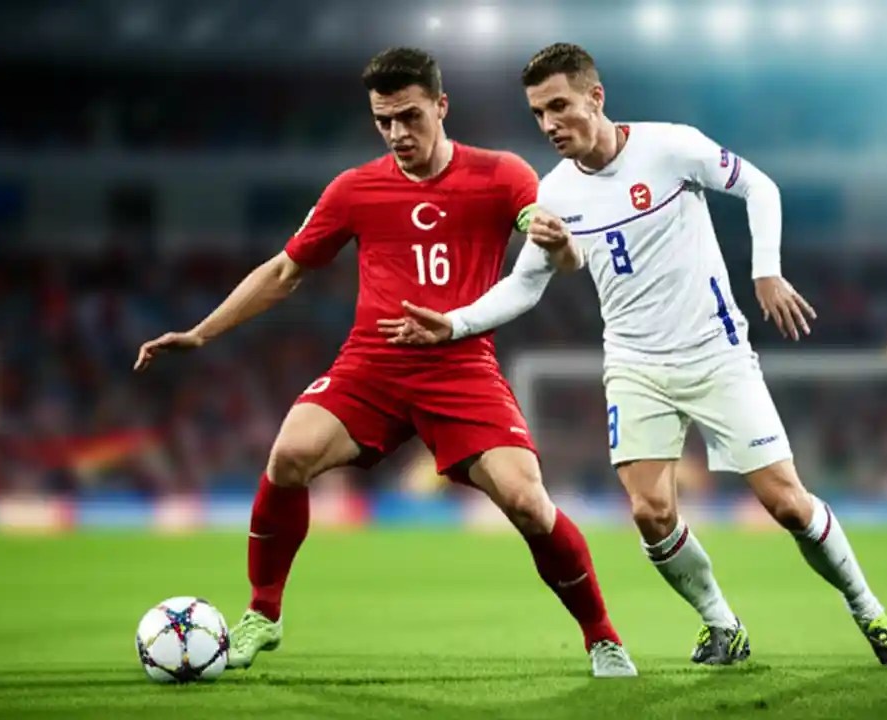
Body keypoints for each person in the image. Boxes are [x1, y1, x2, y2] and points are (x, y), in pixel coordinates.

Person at [379, 43, 887, 668]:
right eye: (537, 113)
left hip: (716, 353)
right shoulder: (552, 193)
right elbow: (525, 285)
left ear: (595, 97)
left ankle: (869, 611)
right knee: (651, 511)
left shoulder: (669, 148)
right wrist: (452, 324)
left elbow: (760, 188)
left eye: (559, 106)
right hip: (634, 365)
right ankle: (722, 623)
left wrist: (766, 271)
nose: (550, 123)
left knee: (787, 503)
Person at [134, 47, 635, 678]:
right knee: (288, 456)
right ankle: (263, 614)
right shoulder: (354, 189)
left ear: (440, 107)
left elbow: (554, 253)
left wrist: (558, 242)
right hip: (372, 365)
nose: (398, 133)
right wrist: (202, 334)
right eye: (384, 121)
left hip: (461, 368)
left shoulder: (503, 175)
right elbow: (286, 271)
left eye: (410, 116)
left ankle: (603, 637)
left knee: (529, 503)